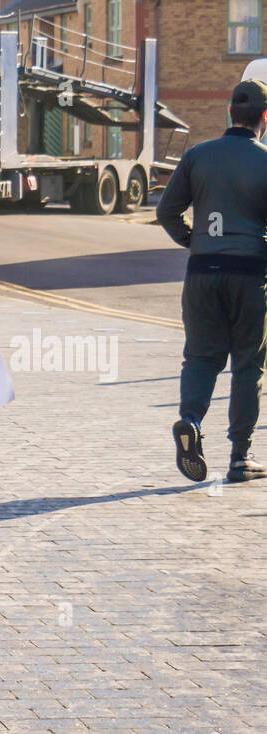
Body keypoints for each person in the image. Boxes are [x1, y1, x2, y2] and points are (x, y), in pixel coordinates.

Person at [158, 79, 267, 483]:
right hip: (250, 274)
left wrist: (195, 241)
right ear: (265, 117)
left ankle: (191, 421)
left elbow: (168, 212)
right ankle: (241, 457)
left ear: (228, 112)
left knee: (201, 357)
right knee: (248, 366)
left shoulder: (198, 156)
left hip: (202, 270)